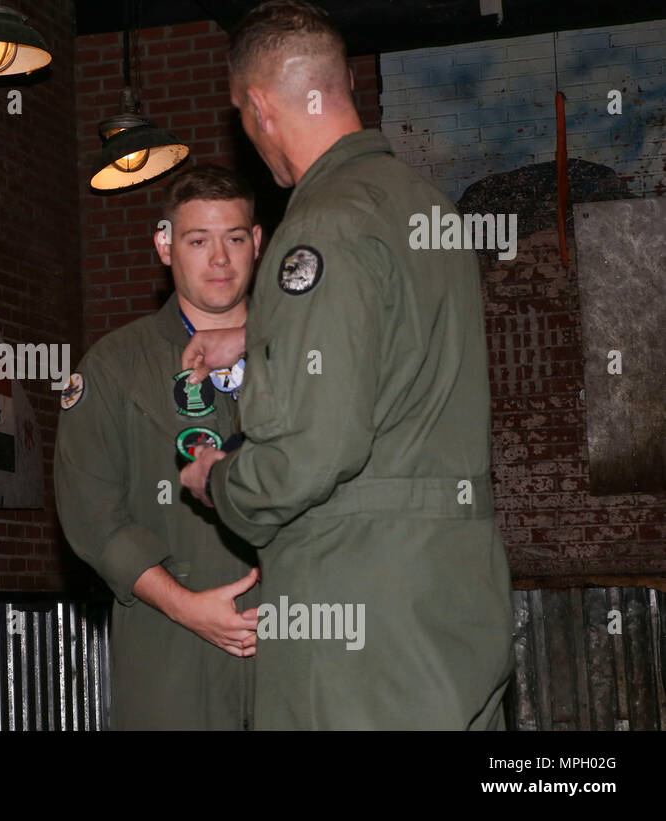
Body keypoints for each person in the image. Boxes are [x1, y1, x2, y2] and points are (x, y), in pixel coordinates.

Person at [178, 0, 514, 729]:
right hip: (453, 599)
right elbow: (396, 353)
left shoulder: (323, 224)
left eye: (241, 112)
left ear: (261, 108)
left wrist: (221, 481)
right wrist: (264, 337)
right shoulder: (424, 207)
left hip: (361, 621)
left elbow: (311, 452)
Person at [55, 165, 263, 730]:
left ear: (258, 242)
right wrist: (184, 606)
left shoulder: (307, 353)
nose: (220, 259)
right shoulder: (117, 366)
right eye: (198, 240)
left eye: (235, 238)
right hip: (171, 648)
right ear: (165, 246)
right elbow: (92, 516)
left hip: (298, 641)